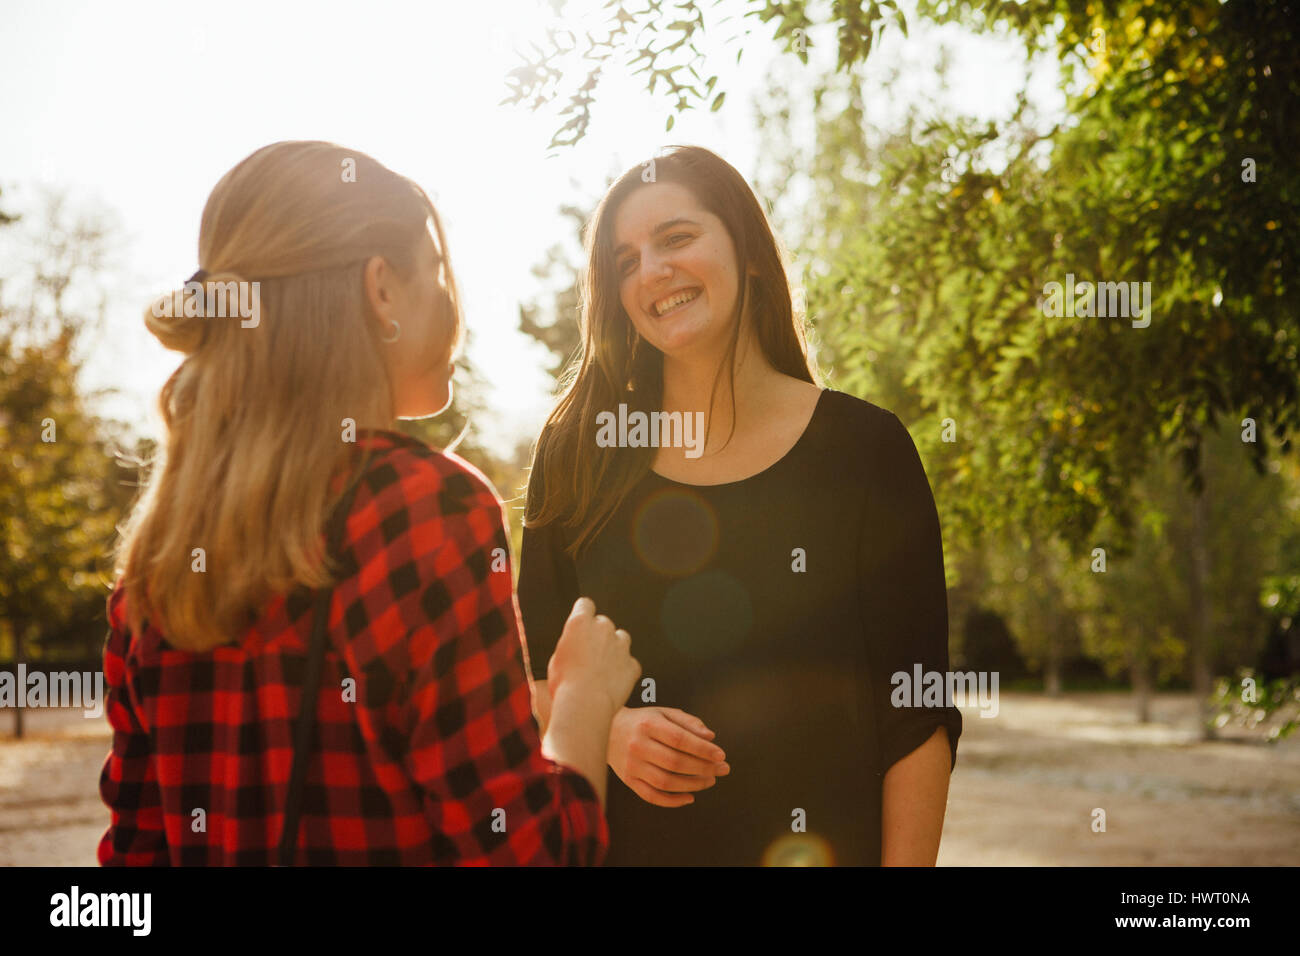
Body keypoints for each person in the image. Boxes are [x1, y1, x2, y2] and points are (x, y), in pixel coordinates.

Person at [99, 140, 638, 866]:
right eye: (438, 273)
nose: (454, 304)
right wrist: (585, 702)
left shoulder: (158, 558)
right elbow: (530, 854)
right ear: (380, 289)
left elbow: (133, 862)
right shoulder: (428, 512)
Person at [518, 145, 961, 866]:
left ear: (749, 253)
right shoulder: (579, 452)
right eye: (625, 261)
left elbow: (915, 717)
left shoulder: (866, 451)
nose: (652, 271)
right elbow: (525, 680)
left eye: (676, 238)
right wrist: (607, 729)